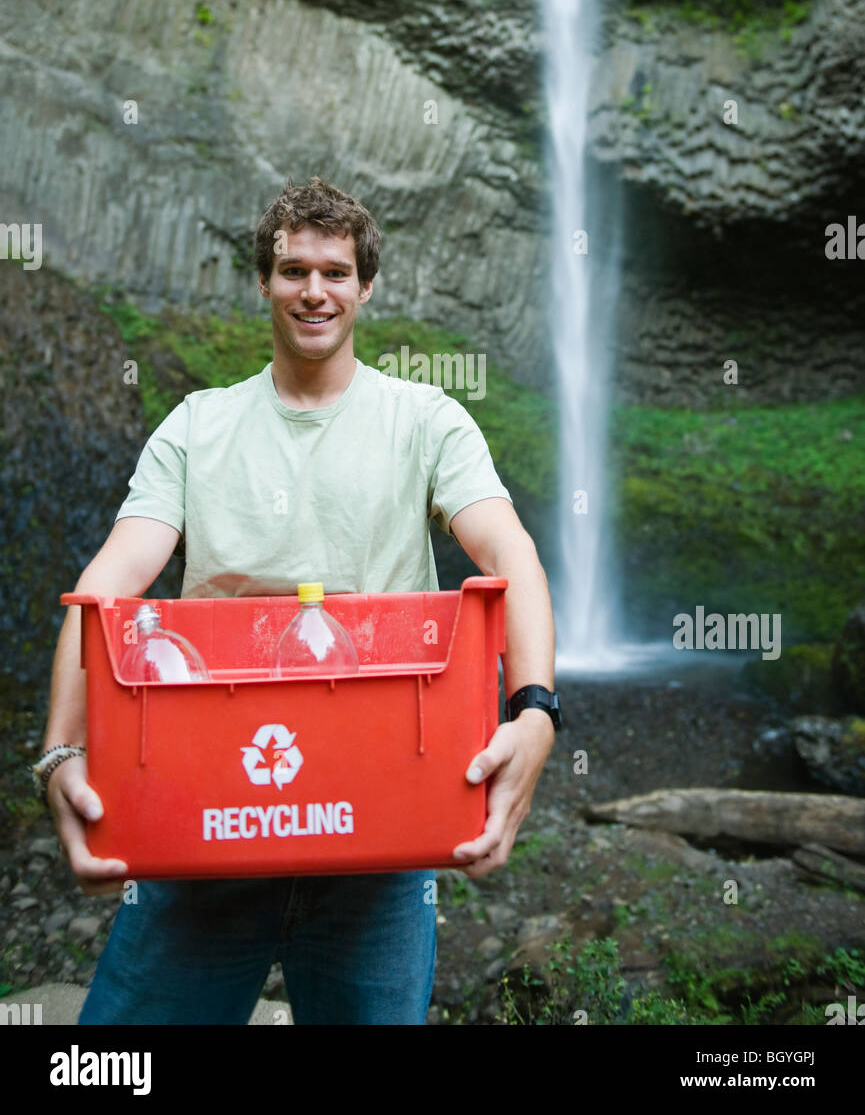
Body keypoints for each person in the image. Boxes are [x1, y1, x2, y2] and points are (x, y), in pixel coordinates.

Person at [35, 176, 559, 1025]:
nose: (313, 290)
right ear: (263, 281)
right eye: (292, 270)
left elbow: (512, 555)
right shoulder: (196, 427)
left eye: (335, 272)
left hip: (384, 831)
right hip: (207, 822)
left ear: (365, 287)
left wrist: (534, 713)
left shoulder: (426, 422)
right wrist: (59, 756)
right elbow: (103, 591)